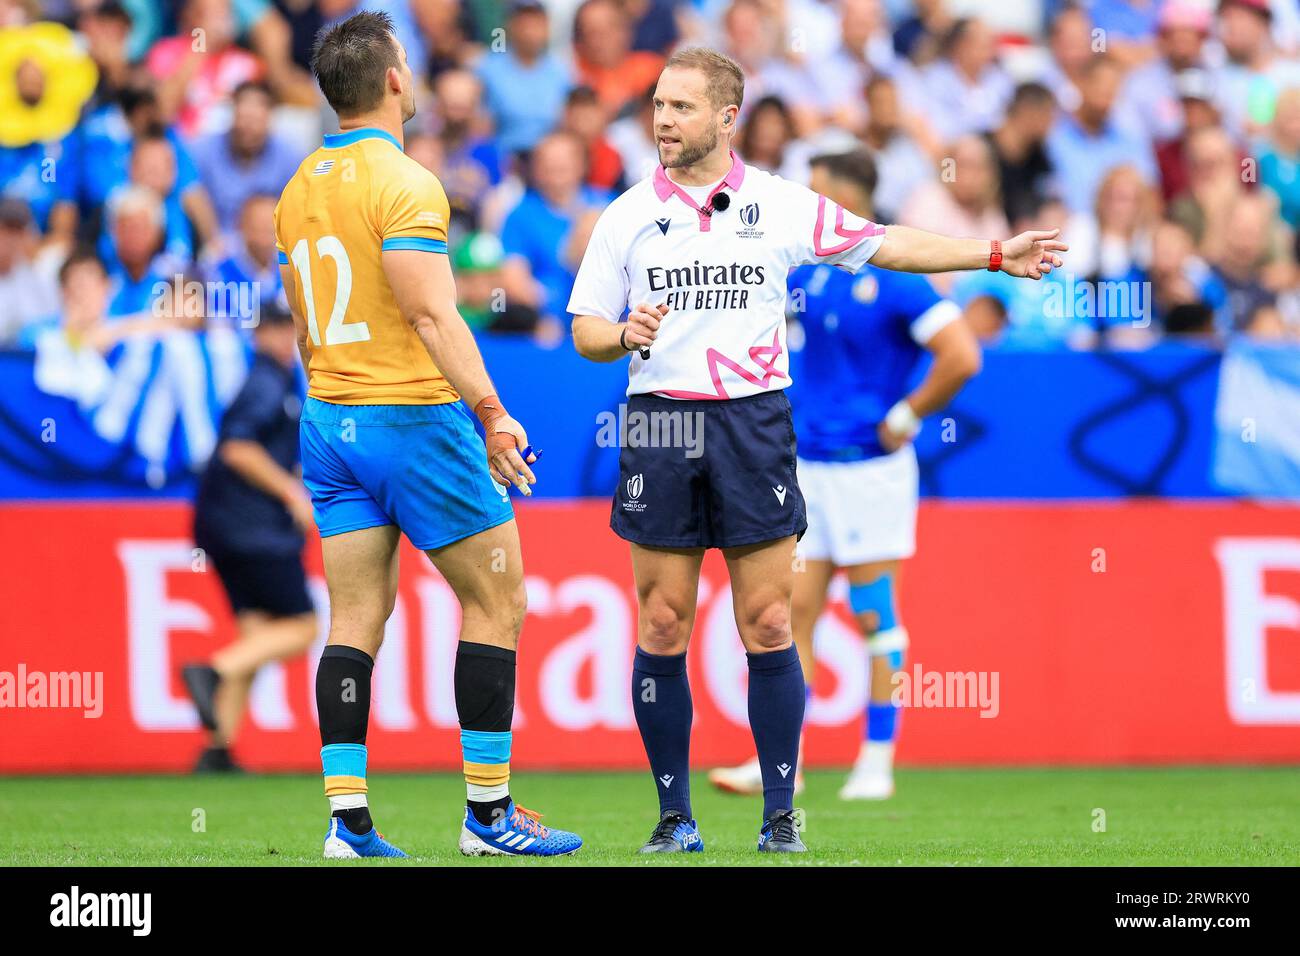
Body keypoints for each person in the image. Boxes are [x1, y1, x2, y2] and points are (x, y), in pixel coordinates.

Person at [568, 47, 1064, 854]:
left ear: (727, 118)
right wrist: (619, 333)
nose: (662, 120)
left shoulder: (781, 205)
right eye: (657, 105)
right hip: (660, 422)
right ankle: (673, 816)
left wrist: (991, 256)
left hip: (754, 422)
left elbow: (887, 243)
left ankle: (779, 815)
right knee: (661, 623)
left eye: (681, 107)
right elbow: (584, 326)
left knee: (768, 621)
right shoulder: (624, 215)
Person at [275, 11, 581, 859]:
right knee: (498, 599)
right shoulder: (407, 182)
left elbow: (305, 324)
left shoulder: (298, 188)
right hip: (409, 418)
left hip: (328, 421)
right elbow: (429, 312)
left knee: (356, 617)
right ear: (395, 80)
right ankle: (487, 817)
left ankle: (348, 824)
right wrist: (491, 412)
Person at [708, 149, 981, 802]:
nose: (807, 199)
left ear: (842, 194)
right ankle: (784, 763)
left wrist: (908, 414)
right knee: (790, 609)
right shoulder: (808, 275)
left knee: (872, 610)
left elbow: (962, 354)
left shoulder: (896, 276)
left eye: (817, 188)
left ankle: (877, 760)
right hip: (809, 467)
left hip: (873, 470)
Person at [182, 306, 317, 773]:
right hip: (251, 526)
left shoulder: (265, 380)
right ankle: (212, 671)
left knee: (257, 633)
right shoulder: (268, 382)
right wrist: (291, 492)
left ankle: (217, 748)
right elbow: (238, 448)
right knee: (302, 627)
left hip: (221, 525)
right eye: (283, 329)